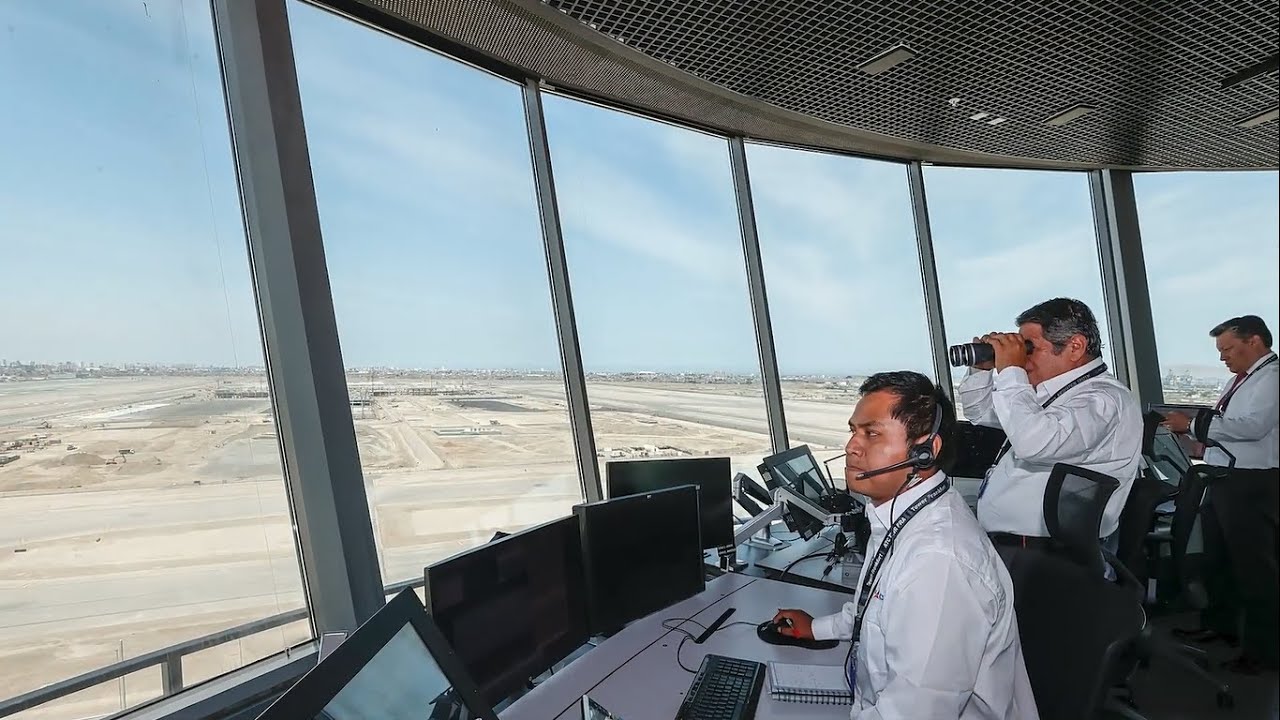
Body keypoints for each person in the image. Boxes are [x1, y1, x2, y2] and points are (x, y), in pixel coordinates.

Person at [773, 371, 1038, 720]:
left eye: (871, 433)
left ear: (926, 451)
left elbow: (915, 713)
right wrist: (817, 629)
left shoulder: (938, 561)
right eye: (854, 431)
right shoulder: (901, 513)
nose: (851, 446)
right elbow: (879, 609)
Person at [957, 298, 1142, 554]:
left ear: (1075, 347)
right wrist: (981, 369)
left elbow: (1034, 444)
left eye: (1029, 347)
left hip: (1053, 558)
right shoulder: (1057, 394)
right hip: (1026, 550)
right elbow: (981, 412)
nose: (1023, 357)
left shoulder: (1103, 400)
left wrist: (1011, 370)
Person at [1162, 315, 1278, 674]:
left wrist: (1193, 423)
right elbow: (1230, 429)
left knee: (1255, 567)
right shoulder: (1242, 380)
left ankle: (1265, 653)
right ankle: (1221, 626)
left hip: (1252, 484)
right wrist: (1196, 439)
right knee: (1220, 558)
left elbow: (1253, 428)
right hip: (1226, 479)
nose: (1223, 357)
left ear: (1254, 341)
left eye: (1228, 348)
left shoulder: (1272, 379)